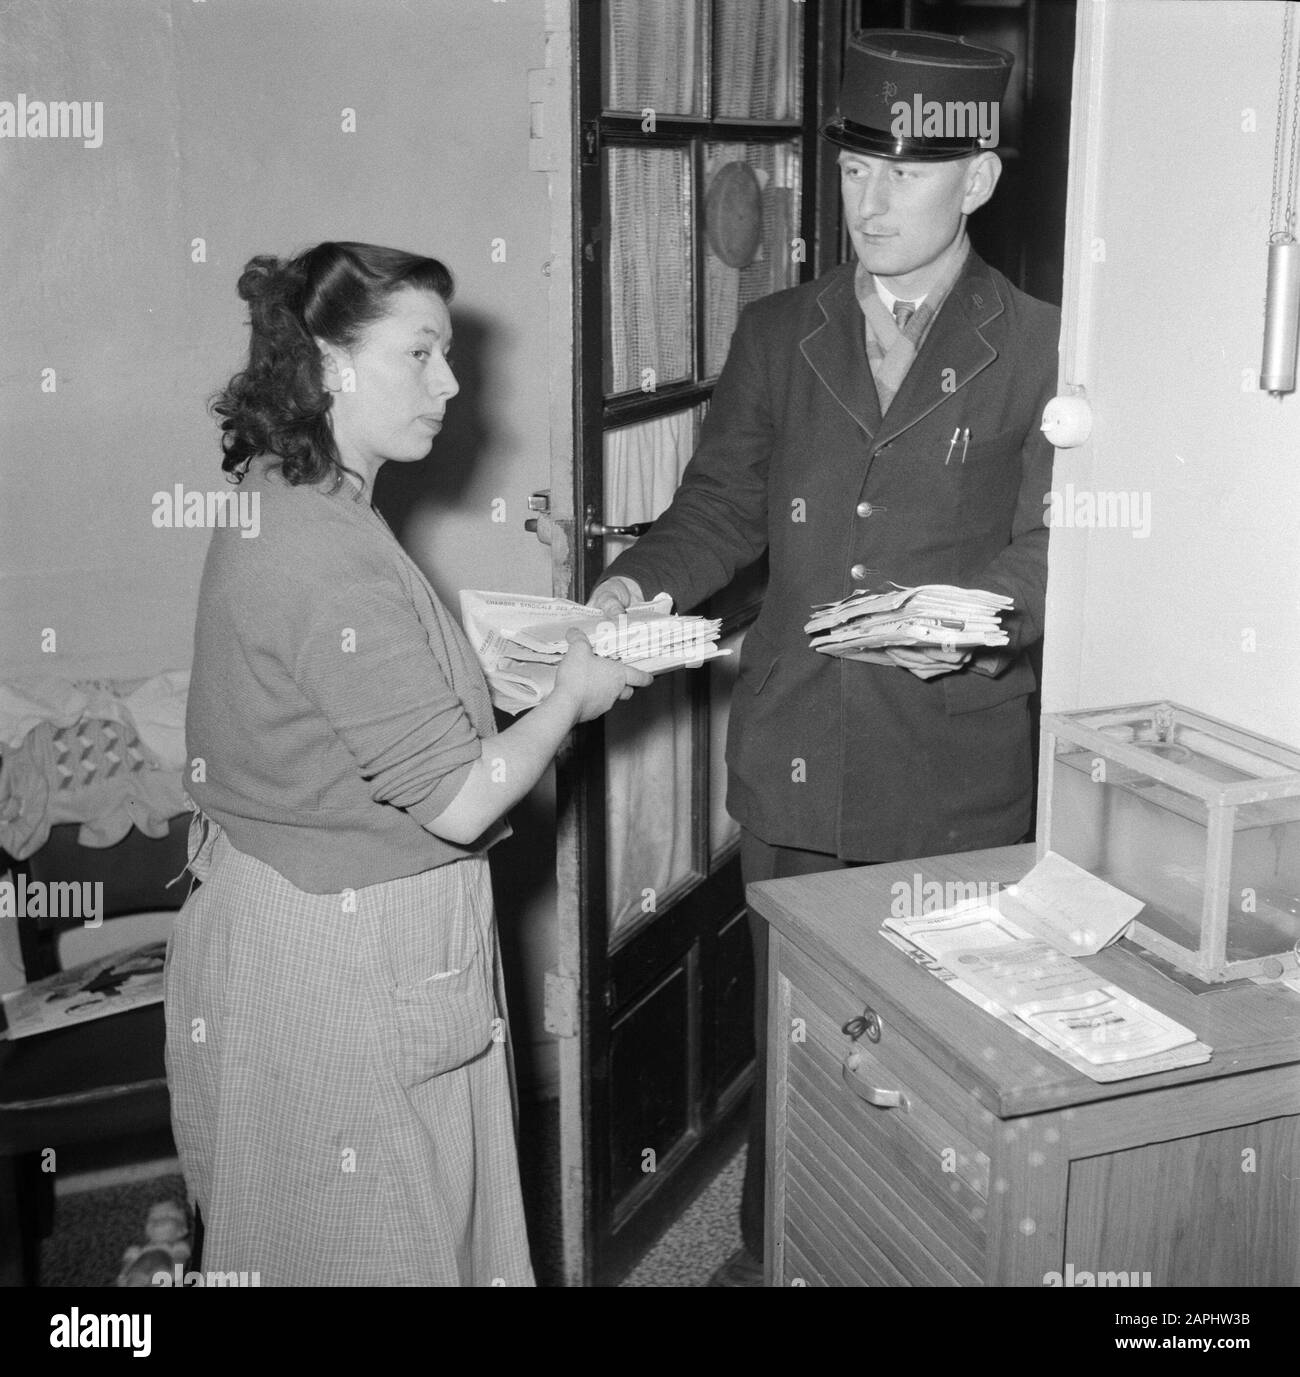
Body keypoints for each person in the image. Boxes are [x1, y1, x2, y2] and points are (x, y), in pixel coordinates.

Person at [592, 30, 1061, 1285]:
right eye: (857, 170)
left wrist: (970, 622)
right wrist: (634, 582)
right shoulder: (776, 331)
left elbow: (1048, 545)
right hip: (795, 755)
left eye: (906, 175)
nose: (871, 202)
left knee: (938, 1064)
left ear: (978, 179)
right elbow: (719, 509)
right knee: (793, 1042)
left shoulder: (1040, 344)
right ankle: (772, 1254)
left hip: (950, 775)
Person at [166, 241, 651, 1286]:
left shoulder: (285, 495)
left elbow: (341, 707)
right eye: (420, 354)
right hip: (343, 961)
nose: (451, 382)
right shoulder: (326, 552)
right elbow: (460, 801)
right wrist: (570, 695)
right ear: (330, 365)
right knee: (381, 1241)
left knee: (315, 1237)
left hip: (283, 917)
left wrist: (487, 676)